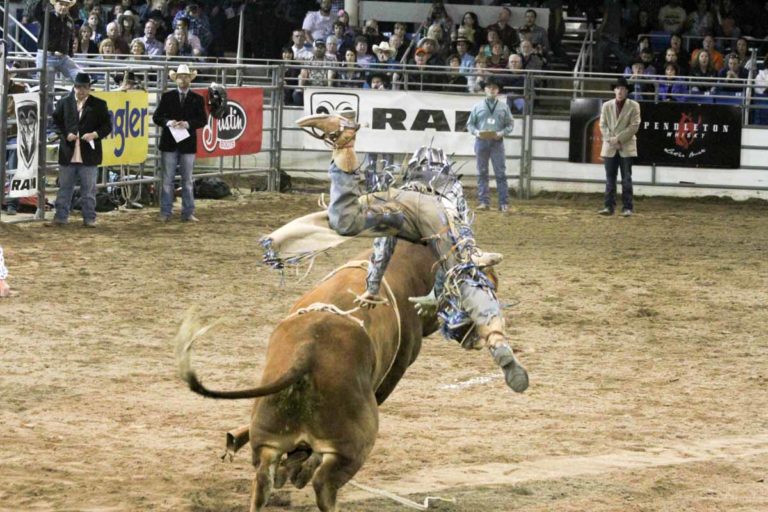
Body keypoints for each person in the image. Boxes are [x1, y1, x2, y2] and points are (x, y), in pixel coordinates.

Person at [261, 115, 529, 393]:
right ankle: (497, 340)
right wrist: (450, 281)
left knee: (345, 219)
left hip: (400, 201)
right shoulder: (451, 199)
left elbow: (384, 242)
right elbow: (450, 262)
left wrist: (373, 286)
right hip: (436, 214)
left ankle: (345, 144)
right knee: (467, 278)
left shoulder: (406, 188)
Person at [48, 73, 112, 227]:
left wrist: (94, 135)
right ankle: (61, 216)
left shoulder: (99, 104)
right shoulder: (64, 103)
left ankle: (89, 218)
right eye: (78, 87)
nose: (81, 90)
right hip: (68, 152)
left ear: (89, 88)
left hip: (88, 154)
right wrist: (65, 134)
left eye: (84, 87)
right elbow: (55, 122)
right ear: (74, 87)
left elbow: (107, 126)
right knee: (65, 188)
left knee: (88, 190)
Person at [152, 64, 207, 223]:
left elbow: (202, 120)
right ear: (176, 79)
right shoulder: (168, 97)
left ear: (190, 79)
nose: (183, 79)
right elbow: (157, 117)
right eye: (181, 77)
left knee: (185, 180)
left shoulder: (197, 99)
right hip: (172, 142)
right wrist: (170, 122)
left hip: (185, 144)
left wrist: (188, 124)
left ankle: (185, 212)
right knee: (169, 180)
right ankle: (167, 212)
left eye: (186, 76)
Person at [466, 76, 515, 212]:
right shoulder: (477, 107)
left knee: (500, 173)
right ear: (485, 90)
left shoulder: (504, 107)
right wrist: (476, 132)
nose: (492, 90)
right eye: (489, 87)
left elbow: (510, 124)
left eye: (494, 88)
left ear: (498, 90)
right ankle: (483, 202)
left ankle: (503, 203)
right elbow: (470, 124)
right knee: (482, 172)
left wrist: (501, 133)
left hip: (497, 142)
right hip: (481, 141)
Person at [598, 77, 641, 217]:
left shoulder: (634, 105)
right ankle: (608, 206)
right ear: (614, 90)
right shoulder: (606, 105)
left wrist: (618, 139)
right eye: (617, 88)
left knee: (626, 178)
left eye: (622, 89)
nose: (619, 91)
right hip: (611, 146)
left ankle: (627, 207)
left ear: (627, 91)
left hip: (625, 145)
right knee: (610, 178)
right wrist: (612, 139)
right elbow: (602, 125)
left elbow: (634, 126)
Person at [29, 0, 82, 85]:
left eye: (66, 5)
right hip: (46, 57)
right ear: (54, 5)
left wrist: (69, 53)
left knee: (81, 77)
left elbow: (71, 38)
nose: (63, 7)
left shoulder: (69, 20)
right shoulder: (46, 16)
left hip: (63, 57)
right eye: (61, 4)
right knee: (47, 89)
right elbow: (35, 12)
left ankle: (82, 92)